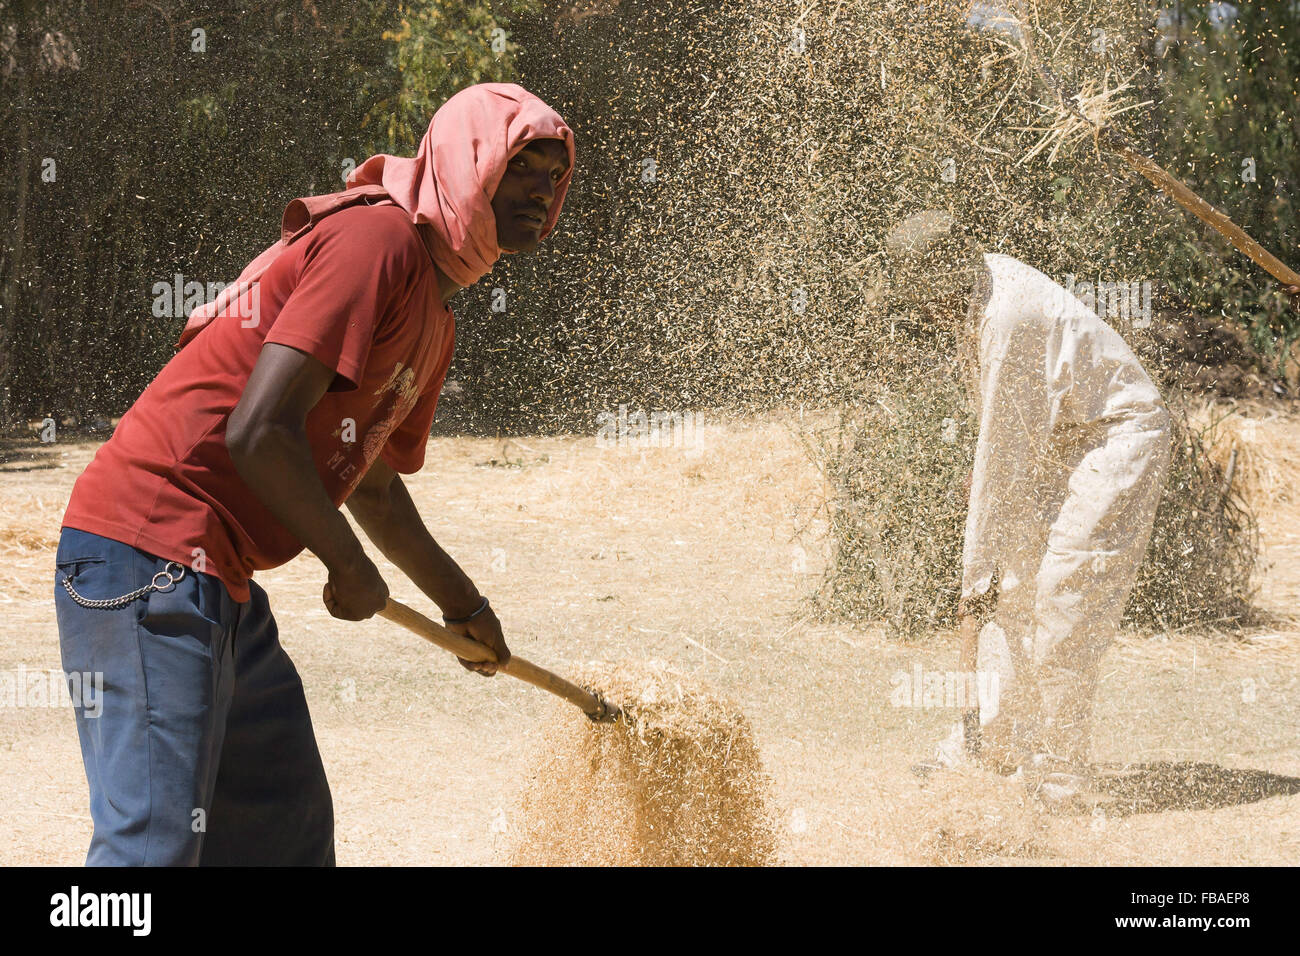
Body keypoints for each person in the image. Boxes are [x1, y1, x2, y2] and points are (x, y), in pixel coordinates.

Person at [53, 82, 576, 865]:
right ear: (469, 165)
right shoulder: (380, 244)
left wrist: (465, 606)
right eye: (521, 164)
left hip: (216, 578)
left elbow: (370, 486)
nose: (542, 188)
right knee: (149, 849)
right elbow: (258, 431)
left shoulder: (436, 315)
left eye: (554, 173)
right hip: (145, 554)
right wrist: (350, 568)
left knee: (283, 831)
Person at [891, 216, 1171, 808]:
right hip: (1064, 433)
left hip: (1116, 435)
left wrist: (971, 582)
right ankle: (988, 746)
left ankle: (1058, 774)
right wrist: (991, 574)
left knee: (1065, 593)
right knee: (1015, 585)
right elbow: (1001, 449)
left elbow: (1002, 463)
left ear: (942, 286)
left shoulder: (1007, 319)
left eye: (922, 298)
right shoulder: (978, 292)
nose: (921, 313)